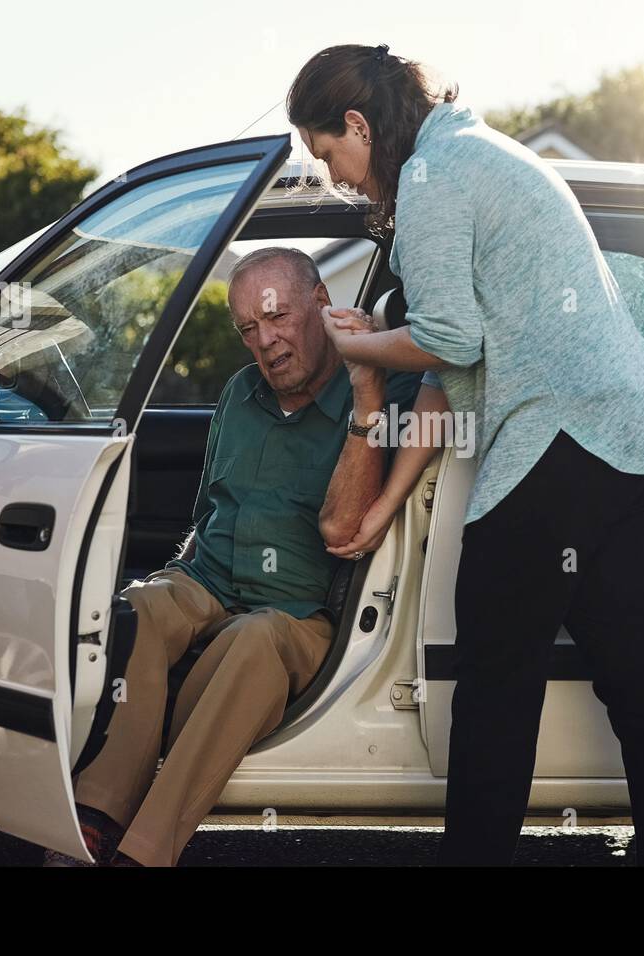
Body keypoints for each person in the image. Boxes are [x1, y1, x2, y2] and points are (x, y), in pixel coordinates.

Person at [288, 44, 644, 865]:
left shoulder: (434, 176)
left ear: (358, 123)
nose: (334, 175)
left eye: (328, 153)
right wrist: (385, 500)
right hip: (627, 430)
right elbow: (454, 368)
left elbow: (446, 339)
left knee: (492, 681)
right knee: (638, 669)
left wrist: (365, 351)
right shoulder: (472, 150)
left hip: (567, 434)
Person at [44, 246, 420, 866]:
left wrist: (364, 400)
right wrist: (176, 590)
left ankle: (146, 851)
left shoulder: (385, 390)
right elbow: (205, 517)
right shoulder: (240, 393)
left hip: (298, 614)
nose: (265, 342)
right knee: (138, 607)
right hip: (211, 585)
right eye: (248, 328)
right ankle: (99, 812)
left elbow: (344, 528)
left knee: (255, 639)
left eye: (277, 319)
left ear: (322, 306)